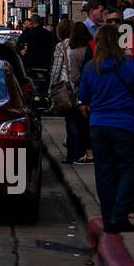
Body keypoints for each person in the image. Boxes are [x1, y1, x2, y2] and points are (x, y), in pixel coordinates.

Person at [79, 23, 134, 234]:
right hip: (123, 123)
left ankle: (109, 217)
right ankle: (120, 215)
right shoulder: (129, 65)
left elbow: (83, 96)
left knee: (104, 173)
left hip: (98, 124)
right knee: (128, 170)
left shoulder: (91, 67)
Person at [53, 20, 93, 164]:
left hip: (70, 89)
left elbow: (57, 69)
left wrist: (52, 88)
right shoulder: (91, 47)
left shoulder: (62, 46)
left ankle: (73, 153)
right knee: (84, 121)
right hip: (88, 90)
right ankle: (86, 151)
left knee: (71, 122)